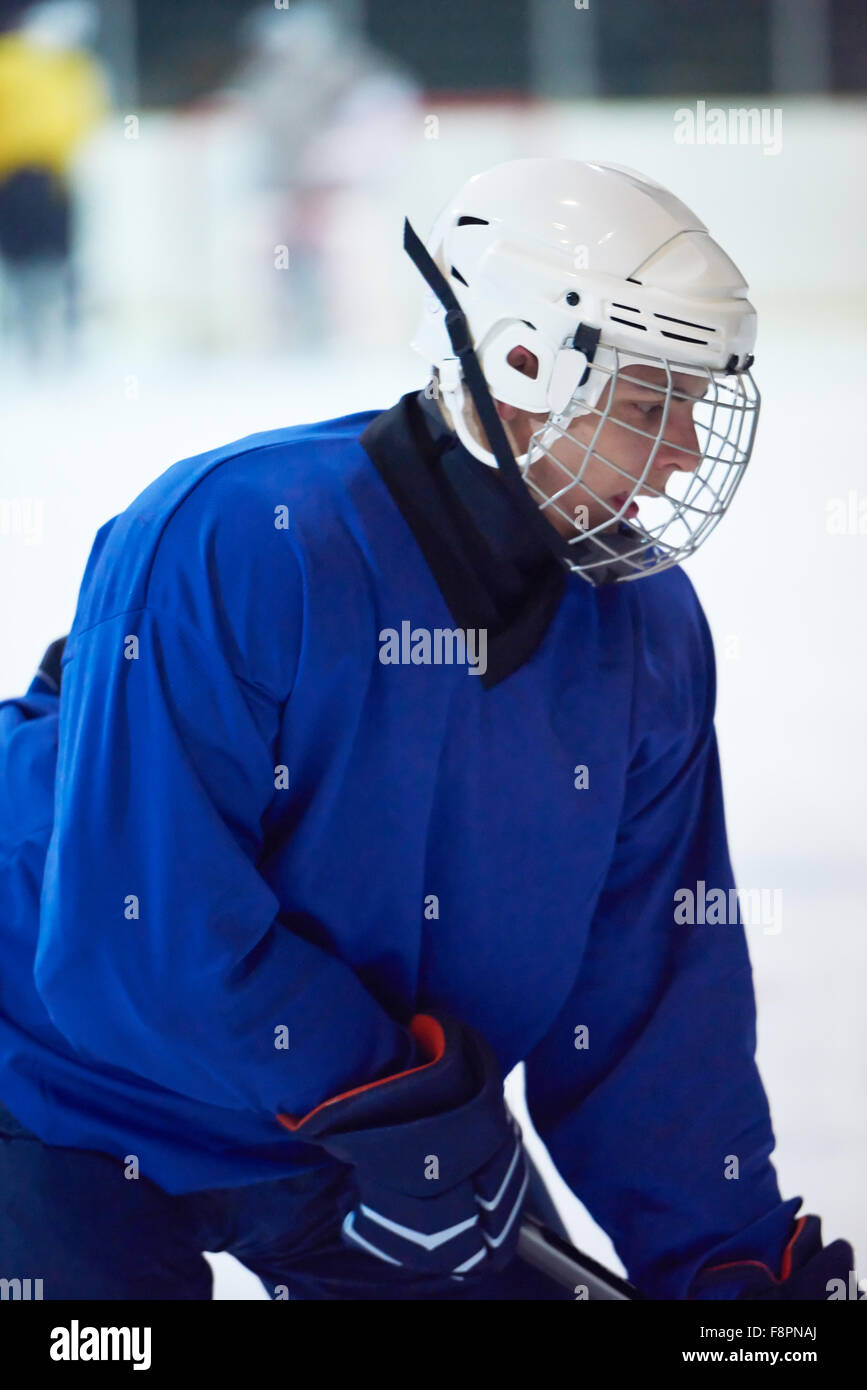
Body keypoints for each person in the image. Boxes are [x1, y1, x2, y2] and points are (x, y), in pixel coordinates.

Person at [0, 158, 856, 1300]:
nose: (689, 454)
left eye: (695, 407)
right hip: (50, 1083)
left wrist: (730, 1265)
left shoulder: (645, 633)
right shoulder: (241, 537)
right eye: (656, 407)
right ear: (520, 365)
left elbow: (648, 999)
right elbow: (134, 933)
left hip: (357, 1130)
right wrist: (395, 1110)